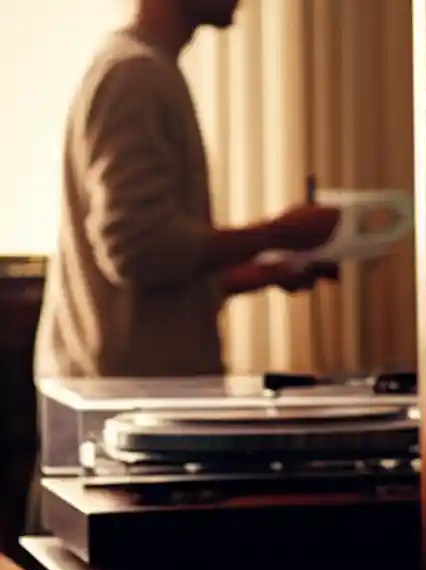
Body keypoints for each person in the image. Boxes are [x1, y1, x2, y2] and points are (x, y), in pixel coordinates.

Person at [33, 0, 340, 381]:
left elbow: (152, 280)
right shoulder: (136, 76)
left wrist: (264, 274)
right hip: (133, 395)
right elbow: (139, 250)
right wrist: (278, 233)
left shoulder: (140, 68)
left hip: (133, 386)